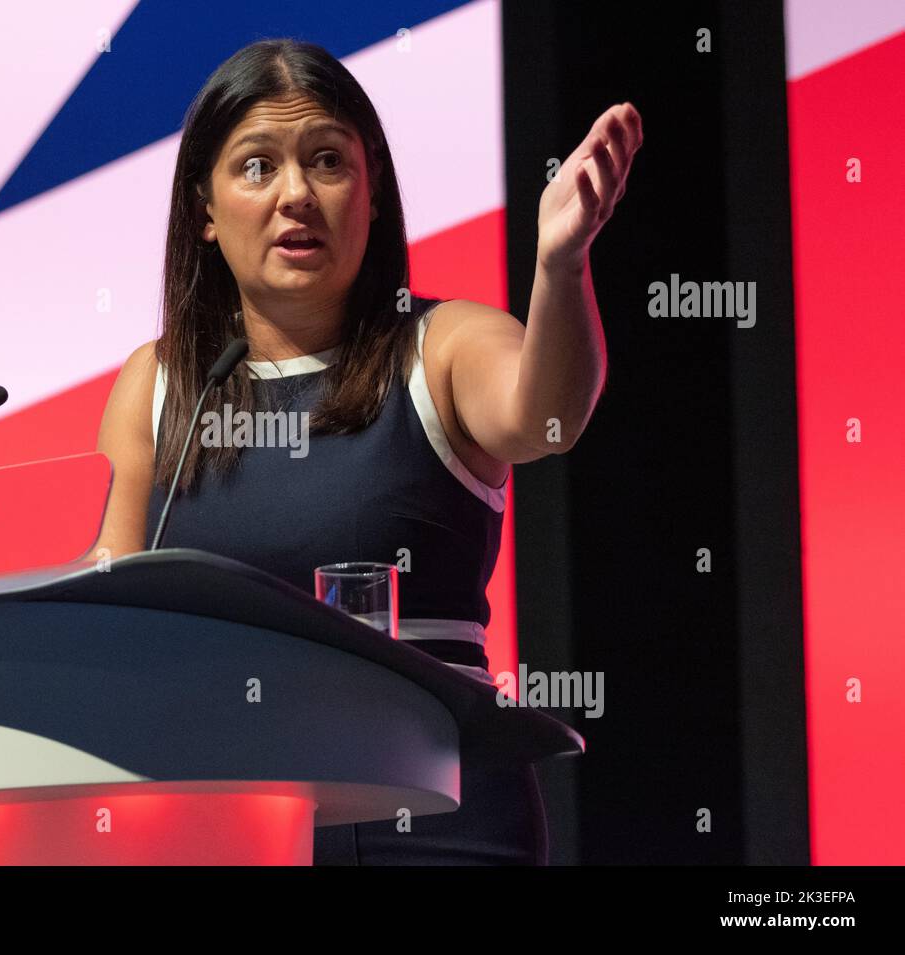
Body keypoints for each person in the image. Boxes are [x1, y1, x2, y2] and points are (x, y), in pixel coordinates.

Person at [93, 38, 640, 864]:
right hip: (228, 821)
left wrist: (560, 269)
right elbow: (102, 611)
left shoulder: (443, 344)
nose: (295, 196)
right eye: (255, 167)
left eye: (326, 162)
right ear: (204, 209)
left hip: (437, 819)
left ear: (371, 191)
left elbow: (548, 416)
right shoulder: (160, 383)